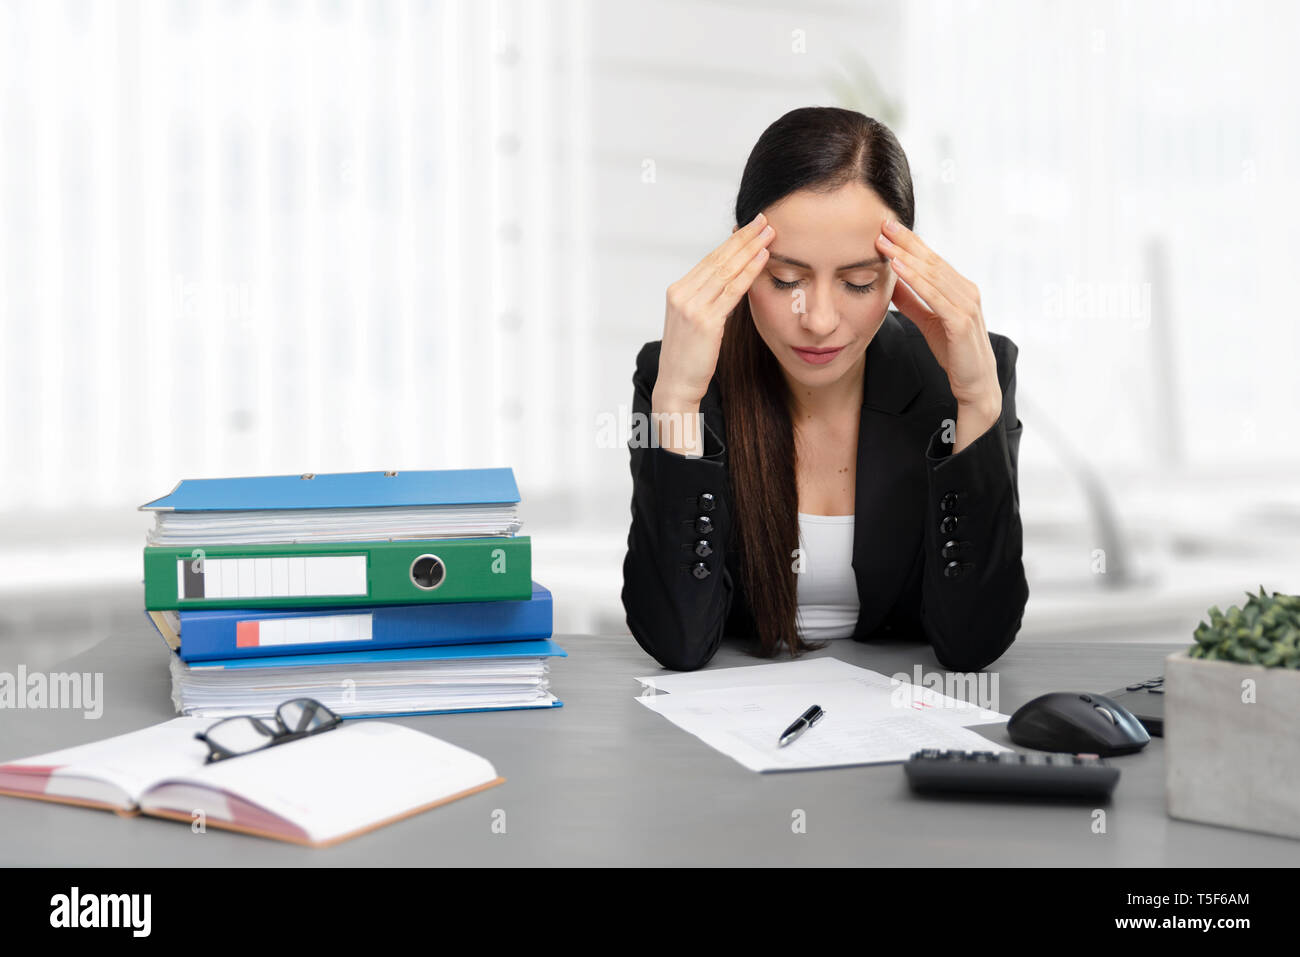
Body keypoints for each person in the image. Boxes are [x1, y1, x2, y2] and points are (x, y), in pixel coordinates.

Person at [620, 106, 1028, 673]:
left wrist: (981, 405)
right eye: (785, 279)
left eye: (858, 282)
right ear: (738, 263)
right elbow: (676, 641)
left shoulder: (960, 380)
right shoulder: (677, 377)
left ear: (899, 273)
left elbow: (974, 644)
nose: (818, 320)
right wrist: (678, 405)